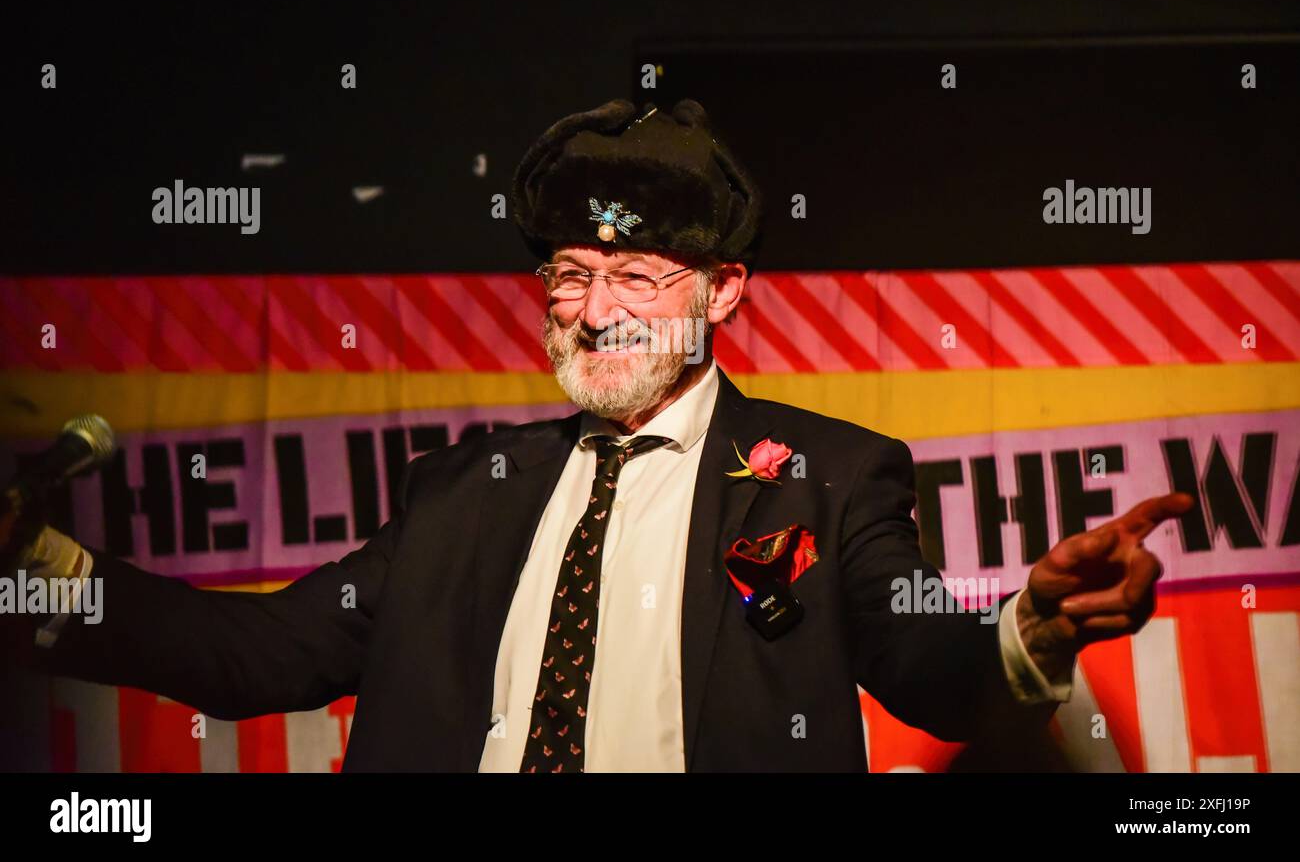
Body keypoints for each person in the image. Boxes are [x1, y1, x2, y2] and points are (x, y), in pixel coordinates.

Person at [3, 98, 1191, 772]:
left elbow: (923, 663)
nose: (598, 305)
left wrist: (1027, 628)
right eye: (572, 272)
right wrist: (36, 578)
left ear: (721, 291)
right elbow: (256, 656)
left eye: (635, 270)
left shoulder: (821, 477)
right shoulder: (461, 493)